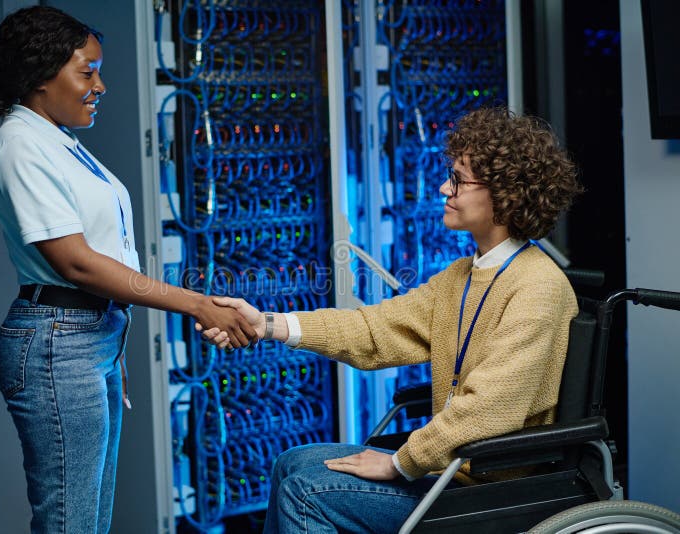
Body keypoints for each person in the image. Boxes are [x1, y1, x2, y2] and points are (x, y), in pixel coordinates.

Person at [200, 106, 584, 533]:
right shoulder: (461, 277)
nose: (443, 187)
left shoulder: (537, 288)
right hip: (453, 472)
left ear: (506, 192)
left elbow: (488, 411)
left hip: (489, 492)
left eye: (458, 179)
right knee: (291, 463)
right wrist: (266, 324)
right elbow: (373, 330)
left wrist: (401, 462)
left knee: (306, 491)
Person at [0, 6, 256, 533]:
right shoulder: (21, 143)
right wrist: (193, 302)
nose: (100, 85)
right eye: (87, 71)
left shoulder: (59, 142)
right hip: (58, 342)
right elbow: (76, 263)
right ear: (39, 75)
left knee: (89, 521)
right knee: (69, 522)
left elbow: (101, 254)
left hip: (87, 336)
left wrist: (110, 335)